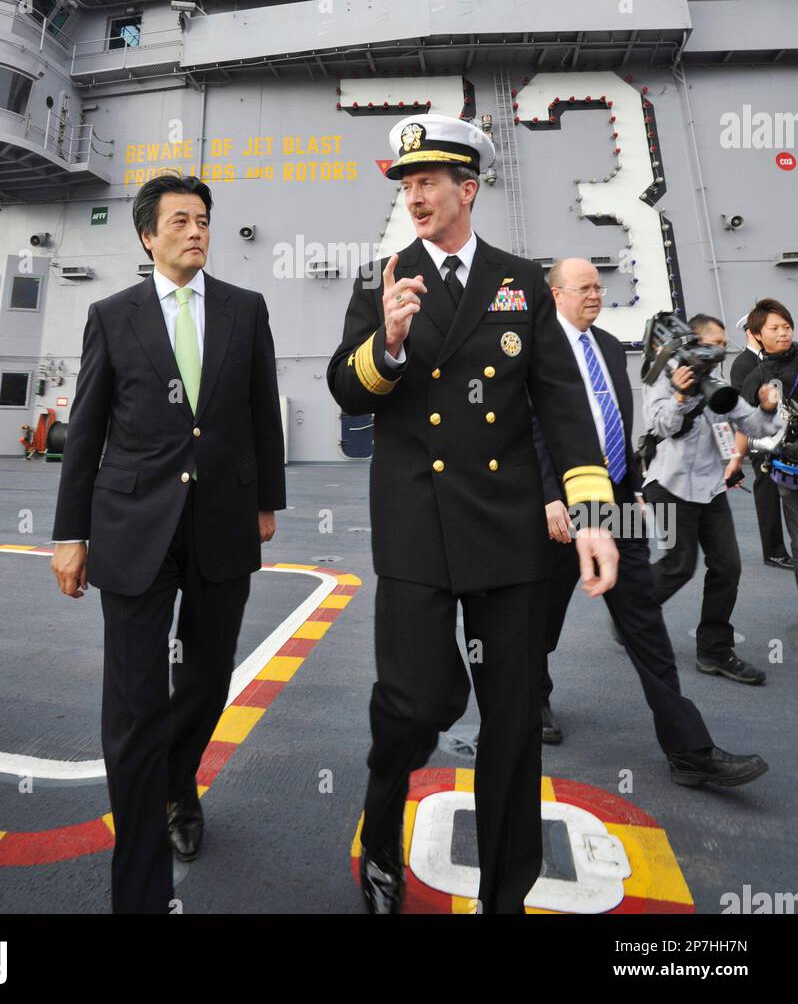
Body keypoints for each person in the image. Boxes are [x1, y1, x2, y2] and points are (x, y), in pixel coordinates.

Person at [327, 115, 619, 916]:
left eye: (429, 182)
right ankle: (379, 834)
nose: (415, 195)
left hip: (510, 532)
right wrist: (385, 343)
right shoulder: (380, 279)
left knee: (515, 725)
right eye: (407, 184)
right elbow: (344, 389)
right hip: (418, 529)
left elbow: (561, 407)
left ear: (468, 187)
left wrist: (593, 516)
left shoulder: (520, 279)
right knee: (416, 705)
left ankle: (505, 894)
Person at [50, 173, 285, 914]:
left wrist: (267, 500)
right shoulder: (111, 315)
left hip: (222, 524)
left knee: (209, 678)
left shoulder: (247, 311)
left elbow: (259, 410)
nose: (196, 230)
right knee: (133, 702)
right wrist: (69, 532)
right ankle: (140, 882)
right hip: (131, 527)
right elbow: (85, 429)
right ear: (148, 235)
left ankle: (179, 783)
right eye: (179, 220)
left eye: (203, 219)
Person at [537, 260, 768, 789]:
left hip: (614, 502)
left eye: (600, 286)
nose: (596, 295)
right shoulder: (536, 350)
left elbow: (622, 424)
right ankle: (534, 699)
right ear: (555, 295)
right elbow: (530, 427)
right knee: (540, 620)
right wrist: (551, 497)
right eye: (585, 288)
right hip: (562, 505)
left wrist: (635, 486)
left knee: (646, 627)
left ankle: (690, 751)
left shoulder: (612, 349)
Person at [643, 314, 781, 683]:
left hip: (710, 488)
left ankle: (715, 650)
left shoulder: (719, 384)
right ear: (694, 343)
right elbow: (663, 426)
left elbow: (754, 426)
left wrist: (767, 408)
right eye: (716, 342)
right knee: (679, 564)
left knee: (727, 567)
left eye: (723, 343)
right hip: (667, 487)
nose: (722, 349)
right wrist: (680, 395)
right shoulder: (661, 377)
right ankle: (633, 613)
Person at [738, 299, 798, 592]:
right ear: (757, 334)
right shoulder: (755, 376)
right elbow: (746, 427)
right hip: (789, 467)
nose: (783, 332)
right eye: (774, 328)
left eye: (786, 326)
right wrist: (765, 408)